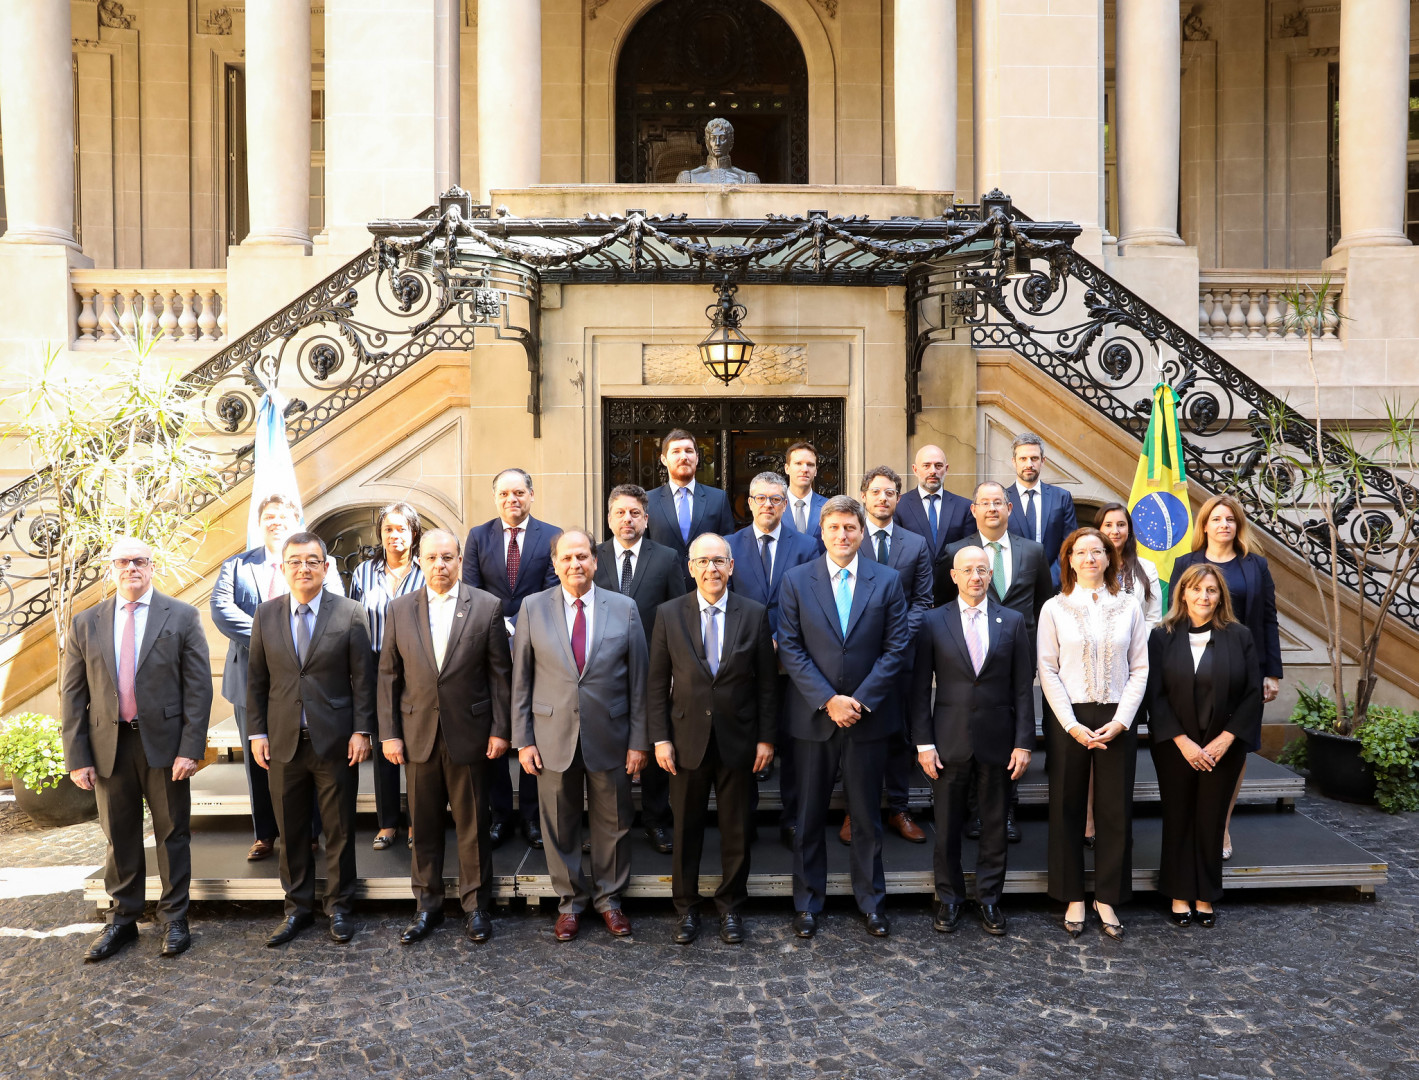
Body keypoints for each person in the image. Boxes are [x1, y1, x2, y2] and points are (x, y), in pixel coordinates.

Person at [62, 537, 212, 962]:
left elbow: (198, 689)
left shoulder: (182, 616)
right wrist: (78, 756)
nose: (132, 568)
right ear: (112, 569)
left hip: (164, 747)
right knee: (119, 836)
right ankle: (123, 920)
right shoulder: (85, 623)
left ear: (152, 566)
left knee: (172, 832)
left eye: (140, 561)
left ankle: (175, 918)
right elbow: (72, 695)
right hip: (108, 746)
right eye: (124, 562)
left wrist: (190, 747)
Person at [777, 495, 912, 939]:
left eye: (850, 528)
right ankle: (807, 902)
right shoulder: (797, 580)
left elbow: (896, 648)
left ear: (860, 531)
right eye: (833, 527)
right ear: (821, 531)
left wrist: (858, 700)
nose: (842, 535)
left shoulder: (887, 580)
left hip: (868, 718)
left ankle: (871, 902)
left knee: (867, 817)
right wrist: (827, 699)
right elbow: (790, 647)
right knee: (809, 815)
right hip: (814, 719)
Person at [512, 529, 650, 942]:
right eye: (567, 557)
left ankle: (610, 901)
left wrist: (639, 740)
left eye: (583, 556)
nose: (576, 564)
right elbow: (521, 679)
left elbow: (640, 682)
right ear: (555, 564)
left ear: (595, 561)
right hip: (551, 735)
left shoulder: (624, 607)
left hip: (611, 733)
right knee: (558, 825)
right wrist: (524, 739)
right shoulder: (533, 608)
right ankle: (570, 903)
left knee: (615, 823)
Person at [378, 530, 512, 945]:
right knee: (425, 823)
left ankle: (476, 907)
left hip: (470, 734)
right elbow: (388, 676)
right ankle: (427, 906)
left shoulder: (486, 606)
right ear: (420, 561)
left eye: (448, 557)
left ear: (459, 561)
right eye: (433, 557)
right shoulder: (399, 609)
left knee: (473, 824)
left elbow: (499, 675)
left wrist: (500, 729)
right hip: (417, 734)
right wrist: (389, 735)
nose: (441, 564)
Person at [247, 531, 377, 947]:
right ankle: (297, 907)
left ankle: (339, 907)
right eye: (295, 561)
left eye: (312, 561)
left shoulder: (351, 612)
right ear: (282, 568)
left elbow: (364, 678)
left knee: (338, 829)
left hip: (335, 741)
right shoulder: (265, 615)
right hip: (283, 742)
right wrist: (257, 732)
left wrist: (362, 729)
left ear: (325, 567)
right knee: (291, 829)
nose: (303, 568)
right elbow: (257, 681)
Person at [647, 533, 778, 945]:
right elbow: (655, 684)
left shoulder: (754, 614)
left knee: (736, 828)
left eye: (719, 561)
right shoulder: (668, 613)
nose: (711, 569)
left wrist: (765, 739)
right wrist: (659, 739)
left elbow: (767, 686)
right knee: (685, 829)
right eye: (703, 562)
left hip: (739, 739)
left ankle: (731, 908)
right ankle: (686, 909)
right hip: (685, 740)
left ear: (732, 567)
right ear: (690, 568)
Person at [210, 493, 343, 861]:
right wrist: (269, 634)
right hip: (249, 681)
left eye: (283, 516)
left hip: (307, 681)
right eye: (269, 516)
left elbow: (334, 607)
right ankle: (265, 833)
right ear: (260, 522)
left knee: (308, 752)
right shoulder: (237, 566)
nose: (275, 522)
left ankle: (310, 832)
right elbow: (221, 610)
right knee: (259, 758)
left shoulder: (312, 564)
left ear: (296, 520)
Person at [911, 546, 1034, 937]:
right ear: (954, 576)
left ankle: (990, 899)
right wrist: (923, 743)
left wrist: (1024, 742)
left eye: (983, 570)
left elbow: (1022, 690)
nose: (976, 577)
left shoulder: (1012, 622)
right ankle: (948, 898)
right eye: (968, 570)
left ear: (991, 574)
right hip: (948, 742)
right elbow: (917, 691)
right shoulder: (932, 622)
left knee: (995, 824)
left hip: (999, 741)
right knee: (946, 825)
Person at [1038, 527, 1149, 941]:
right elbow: (1047, 668)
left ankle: (1107, 895)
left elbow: (1140, 667)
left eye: (1097, 552)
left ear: (1109, 558)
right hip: (1070, 716)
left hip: (1118, 715)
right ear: (1068, 559)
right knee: (1066, 806)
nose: (1089, 558)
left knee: (1114, 809)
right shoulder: (1055, 608)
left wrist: (1122, 720)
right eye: (1080, 552)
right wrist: (1070, 724)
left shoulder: (1129, 606)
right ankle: (1072, 896)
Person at [1148, 563, 1262, 928]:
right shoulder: (1162, 636)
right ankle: (1179, 893)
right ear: (1183, 593)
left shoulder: (1239, 636)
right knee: (1179, 817)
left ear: (1220, 596)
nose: (1204, 597)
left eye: (1211, 590)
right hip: (1175, 746)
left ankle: (1205, 895)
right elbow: (1155, 695)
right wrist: (1182, 742)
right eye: (1196, 589)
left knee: (1211, 819)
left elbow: (1252, 693)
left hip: (1223, 748)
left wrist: (1226, 740)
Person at [938, 481, 1053, 842]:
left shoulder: (1033, 552)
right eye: (984, 503)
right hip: (969, 658)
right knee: (973, 733)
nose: (992, 509)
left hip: (1016, 656)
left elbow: (1044, 603)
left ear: (1010, 509)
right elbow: (944, 604)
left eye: (998, 503)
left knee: (1008, 732)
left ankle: (1006, 812)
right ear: (973, 510)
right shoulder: (956, 552)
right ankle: (974, 812)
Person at [1169, 493, 1282, 859]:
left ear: (1238, 525)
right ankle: (1192, 825)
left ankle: (1222, 826)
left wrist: (1271, 673)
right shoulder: (1186, 562)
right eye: (1216, 519)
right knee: (1196, 746)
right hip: (1194, 671)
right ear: (1205, 525)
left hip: (1242, 672)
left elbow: (1267, 619)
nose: (1224, 525)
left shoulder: (1256, 566)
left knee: (1234, 746)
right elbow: (1174, 618)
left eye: (1230, 519)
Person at [462, 467, 560, 849]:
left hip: (537, 648)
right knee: (497, 731)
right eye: (504, 494)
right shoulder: (477, 536)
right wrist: (499, 626)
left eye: (518, 493)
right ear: (496, 498)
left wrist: (519, 625)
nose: (511, 500)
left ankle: (533, 819)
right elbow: (470, 588)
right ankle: (501, 815)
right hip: (488, 649)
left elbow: (553, 588)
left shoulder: (551, 535)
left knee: (531, 732)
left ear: (531, 495)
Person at [593, 483, 689, 855]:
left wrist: (676, 670)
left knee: (652, 742)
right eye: (620, 512)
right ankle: (609, 823)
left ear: (646, 520)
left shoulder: (666, 558)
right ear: (609, 518)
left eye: (635, 513)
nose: (627, 519)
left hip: (654, 668)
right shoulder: (593, 556)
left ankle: (655, 820)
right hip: (603, 672)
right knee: (608, 748)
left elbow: (680, 614)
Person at [727, 470, 819, 846]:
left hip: (791, 662)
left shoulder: (807, 545)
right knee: (747, 743)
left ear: (786, 504)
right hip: (743, 663)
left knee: (794, 744)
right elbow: (724, 601)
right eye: (760, 498)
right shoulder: (729, 545)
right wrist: (755, 642)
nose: (768, 505)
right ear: (748, 503)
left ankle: (793, 818)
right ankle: (743, 821)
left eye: (775, 499)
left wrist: (782, 638)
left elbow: (813, 600)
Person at [841, 465, 932, 846]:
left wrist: (895, 641)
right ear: (864, 496)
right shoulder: (847, 540)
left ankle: (899, 808)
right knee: (855, 738)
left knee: (898, 735)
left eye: (890, 492)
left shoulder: (915, 545)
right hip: (854, 661)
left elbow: (923, 600)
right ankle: (853, 810)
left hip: (901, 660)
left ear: (898, 498)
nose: (882, 498)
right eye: (876, 492)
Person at [348, 501, 426, 851]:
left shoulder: (426, 570)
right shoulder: (364, 572)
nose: (395, 535)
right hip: (376, 666)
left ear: (413, 533)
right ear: (380, 534)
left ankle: (416, 822)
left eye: (401, 529)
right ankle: (388, 822)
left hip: (417, 667)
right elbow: (352, 620)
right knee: (384, 744)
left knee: (414, 744)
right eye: (388, 529)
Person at [645, 428, 736, 587]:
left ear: (697, 457)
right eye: (676, 452)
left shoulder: (718, 499)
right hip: (662, 591)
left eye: (689, 451)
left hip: (708, 589)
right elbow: (644, 550)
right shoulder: (648, 501)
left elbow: (728, 548)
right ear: (664, 459)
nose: (684, 457)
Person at [1006, 432, 1078, 589]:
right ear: (1014, 461)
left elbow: (1070, 544)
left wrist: (1051, 579)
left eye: (1034, 458)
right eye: (1023, 459)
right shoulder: (1001, 499)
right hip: (1012, 588)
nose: (1029, 464)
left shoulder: (1061, 497)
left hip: (1054, 586)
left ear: (1043, 461)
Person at [893, 444, 975, 563]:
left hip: (951, 580)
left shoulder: (964, 507)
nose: (933, 471)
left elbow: (968, 551)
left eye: (938, 466)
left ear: (946, 469)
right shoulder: (899, 506)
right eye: (926, 465)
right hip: (914, 579)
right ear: (915, 470)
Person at [1097, 502, 1162, 628]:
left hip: (1138, 642)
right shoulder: (1089, 566)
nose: (1115, 531)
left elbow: (1154, 618)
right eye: (1108, 525)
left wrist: (1138, 643)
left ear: (1129, 531)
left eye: (1121, 525)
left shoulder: (1148, 568)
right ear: (1098, 530)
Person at [781, 440, 829, 545]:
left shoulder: (828, 506)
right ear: (787, 468)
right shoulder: (775, 505)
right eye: (798, 463)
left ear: (816, 471)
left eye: (810, 465)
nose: (805, 469)